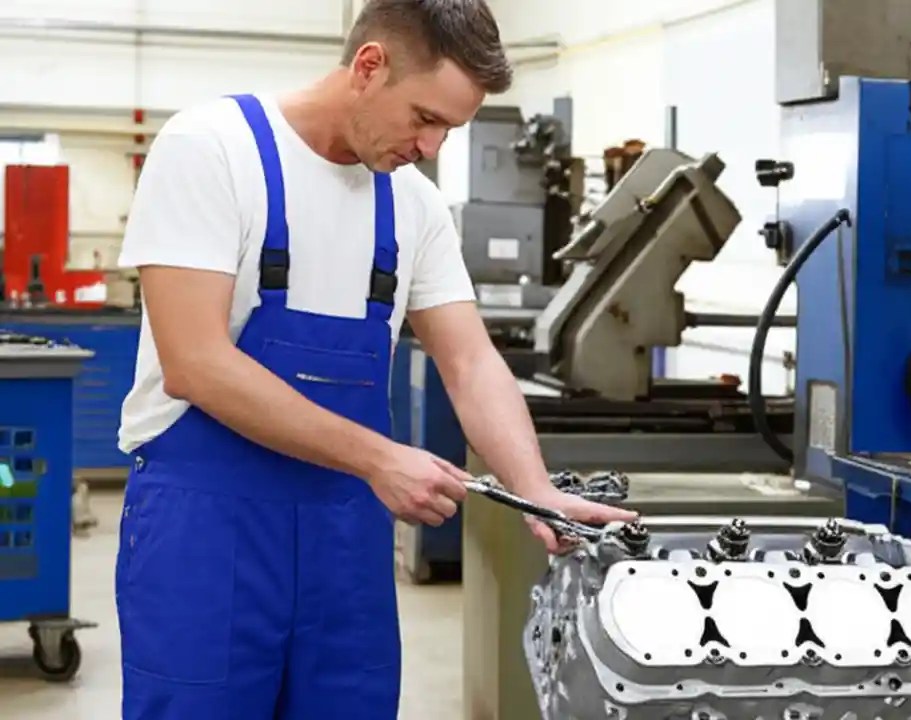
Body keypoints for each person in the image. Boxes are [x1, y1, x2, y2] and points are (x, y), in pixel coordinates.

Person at [111, 1, 635, 717]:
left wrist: (534, 487)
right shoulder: (212, 149)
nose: (431, 145)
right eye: (424, 117)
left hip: (343, 547)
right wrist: (379, 459)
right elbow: (195, 361)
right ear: (369, 66)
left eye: (449, 128)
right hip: (206, 536)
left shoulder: (412, 206)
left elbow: (470, 363)